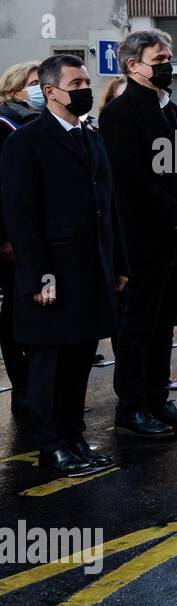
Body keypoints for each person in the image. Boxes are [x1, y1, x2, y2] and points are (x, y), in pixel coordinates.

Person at [0, 55, 127, 475]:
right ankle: (51, 446)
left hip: (91, 272)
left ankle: (75, 438)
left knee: (78, 363)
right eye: (76, 83)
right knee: (49, 366)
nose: (84, 89)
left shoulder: (91, 138)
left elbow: (108, 210)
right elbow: (21, 215)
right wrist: (37, 276)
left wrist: (119, 264)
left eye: (87, 81)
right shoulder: (26, 142)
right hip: (52, 275)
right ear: (51, 91)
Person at [99, 29, 177, 439]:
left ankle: (158, 398)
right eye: (159, 58)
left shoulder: (173, 111)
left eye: (169, 56)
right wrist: (176, 217)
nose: (167, 64)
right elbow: (132, 180)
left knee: (165, 323)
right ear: (134, 65)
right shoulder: (120, 114)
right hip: (143, 240)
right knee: (138, 325)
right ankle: (132, 407)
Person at [0, 61, 42, 415]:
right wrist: (6, 237)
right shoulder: (5, 125)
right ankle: (23, 390)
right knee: (15, 317)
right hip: (13, 242)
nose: (40, 88)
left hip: (40, 235)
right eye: (33, 83)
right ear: (14, 90)